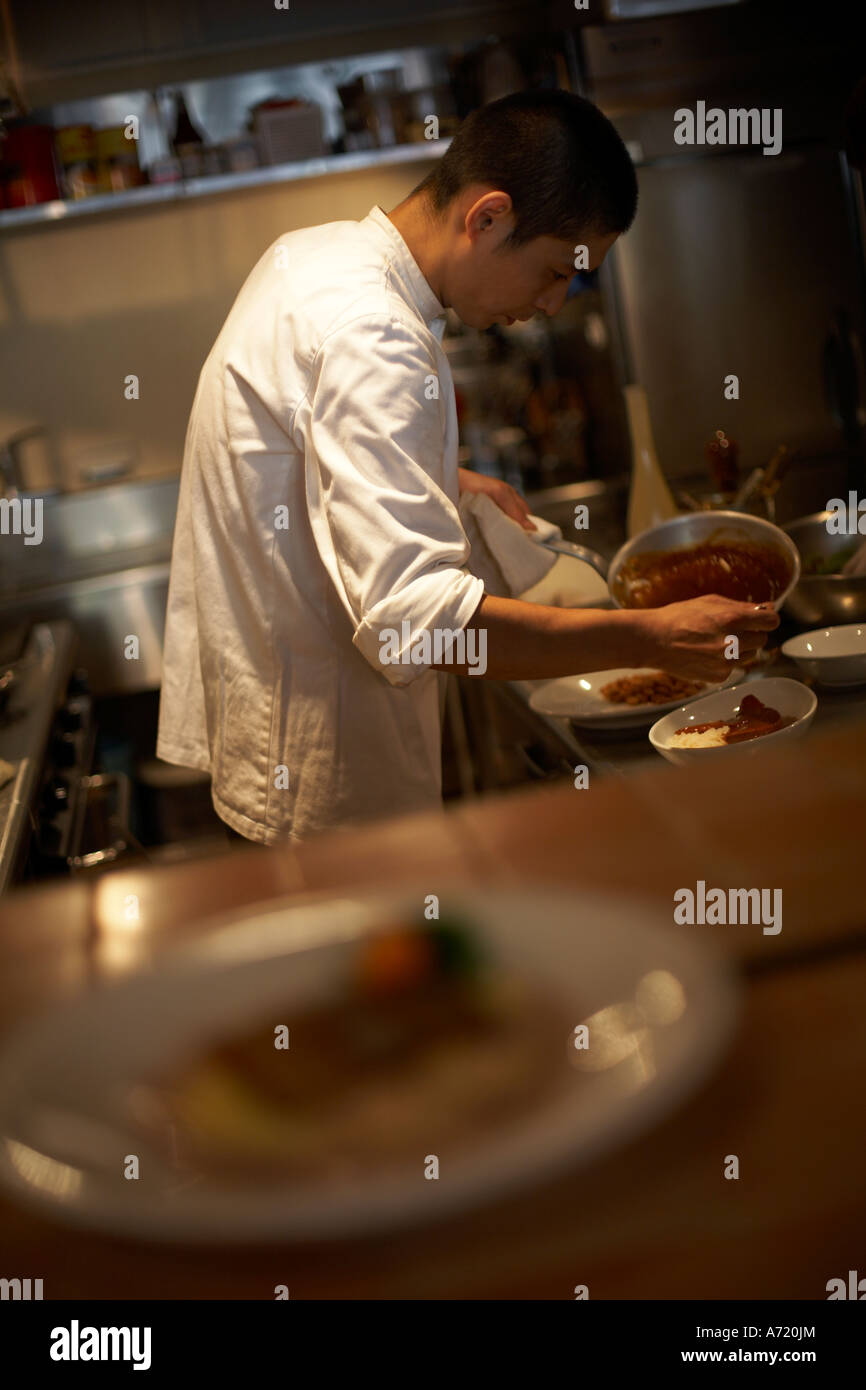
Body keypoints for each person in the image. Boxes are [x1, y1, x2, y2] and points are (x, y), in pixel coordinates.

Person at [157, 90, 778, 845]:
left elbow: (296, 448)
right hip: (328, 783)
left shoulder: (314, 256)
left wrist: (436, 478)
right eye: (554, 272)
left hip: (276, 734)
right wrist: (645, 636)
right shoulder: (374, 332)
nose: (552, 305)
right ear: (487, 217)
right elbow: (416, 628)